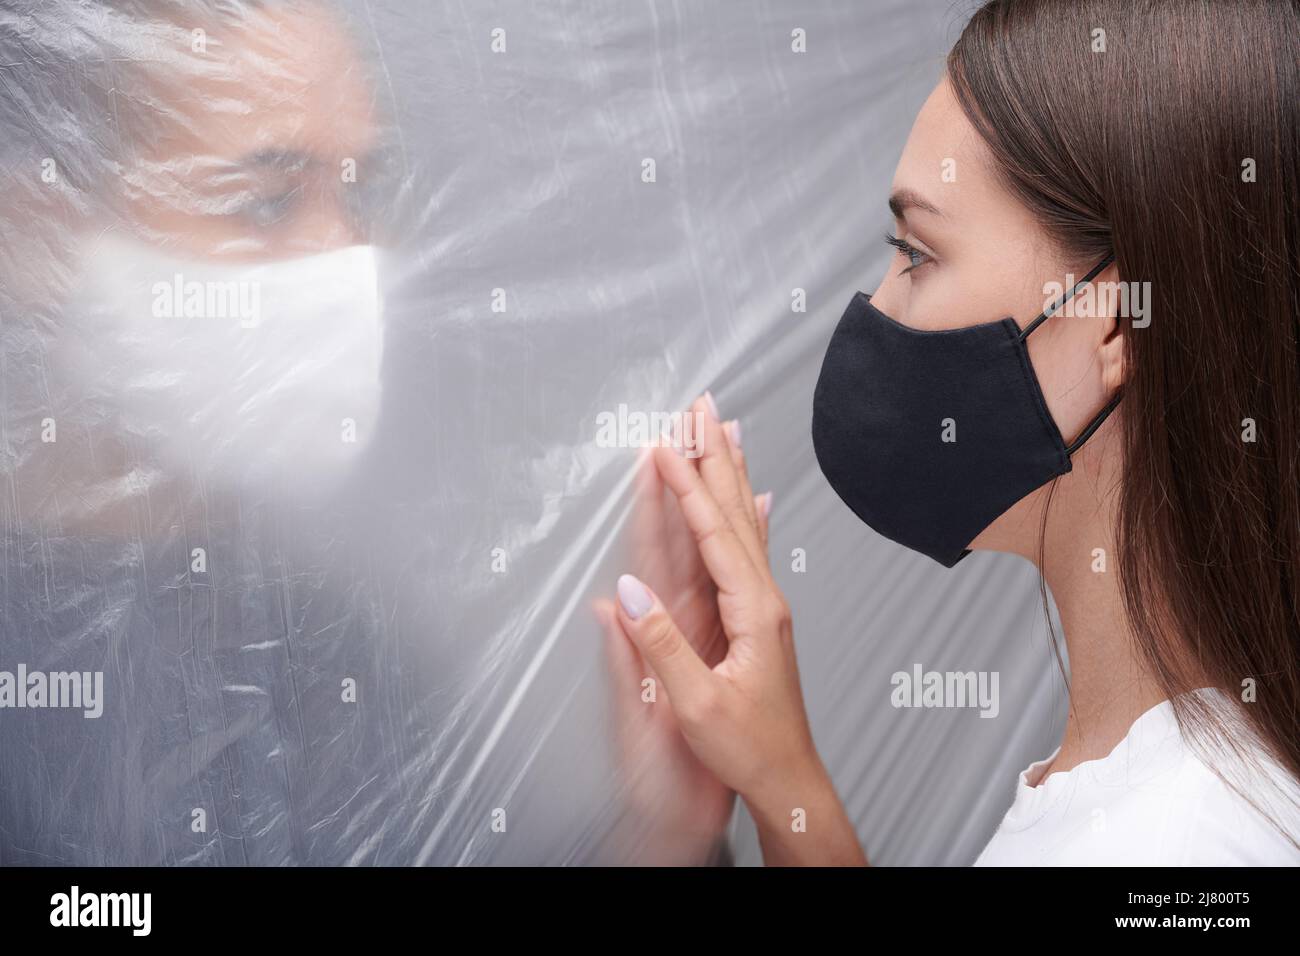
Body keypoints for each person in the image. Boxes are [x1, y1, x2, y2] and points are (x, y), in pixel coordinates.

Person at [603, 0, 1300, 865]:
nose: (878, 312)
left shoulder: (1189, 850)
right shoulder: (1156, 799)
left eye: (918, 253)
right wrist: (768, 788)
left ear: (1114, 324)